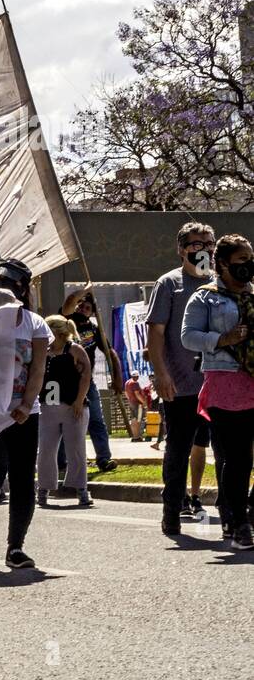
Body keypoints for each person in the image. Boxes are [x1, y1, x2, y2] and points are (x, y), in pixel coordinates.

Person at [0, 258, 50, 569]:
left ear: (21, 288)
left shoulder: (34, 324)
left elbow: (38, 368)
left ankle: (16, 547)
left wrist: (26, 405)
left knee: (22, 478)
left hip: (23, 412)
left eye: (5, 284)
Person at [181, 233, 254, 550]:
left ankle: (247, 510)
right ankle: (238, 523)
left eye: (250, 260)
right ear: (222, 263)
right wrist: (221, 339)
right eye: (241, 260)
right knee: (238, 459)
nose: (248, 266)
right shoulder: (205, 298)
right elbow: (188, 337)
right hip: (226, 381)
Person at [146, 222, 216, 536]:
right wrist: (162, 375)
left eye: (209, 244)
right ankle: (172, 511)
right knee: (178, 450)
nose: (203, 249)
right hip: (181, 385)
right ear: (182, 249)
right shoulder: (169, 284)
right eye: (196, 244)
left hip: (220, 385)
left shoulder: (222, 282)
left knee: (228, 452)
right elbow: (156, 334)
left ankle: (231, 515)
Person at [60, 288, 122, 470]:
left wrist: (118, 378)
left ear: (93, 312)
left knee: (96, 420)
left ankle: (103, 458)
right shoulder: (65, 321)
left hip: (86, 382)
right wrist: (85, 290)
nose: (82, 308)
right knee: (62, 421)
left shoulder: (95, 330)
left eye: (87, 307)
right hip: (63, 381)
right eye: (81, 305)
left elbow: (111, 354)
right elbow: (69, 301)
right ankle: (61, 462)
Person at [36, 316, 93, 509]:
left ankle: (81, 489)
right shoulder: (43, 351)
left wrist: (79, 400)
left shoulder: (74, 350)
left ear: (58, 333)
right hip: (48, 407)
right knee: (45, 450)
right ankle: (43, 488)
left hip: (72, 407)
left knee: (76, 450)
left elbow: (86, 374)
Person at [124, 371, 147, 440]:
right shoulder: (135, 383)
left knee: (133, 420)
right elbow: (137, 394)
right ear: (137, 377)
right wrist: (144, 402)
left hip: (131, 403)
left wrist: (130, 400)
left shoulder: (127, 383)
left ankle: (134, 436)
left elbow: (126, 394)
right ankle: (138, 436)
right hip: (137, 404)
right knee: (139, 419)